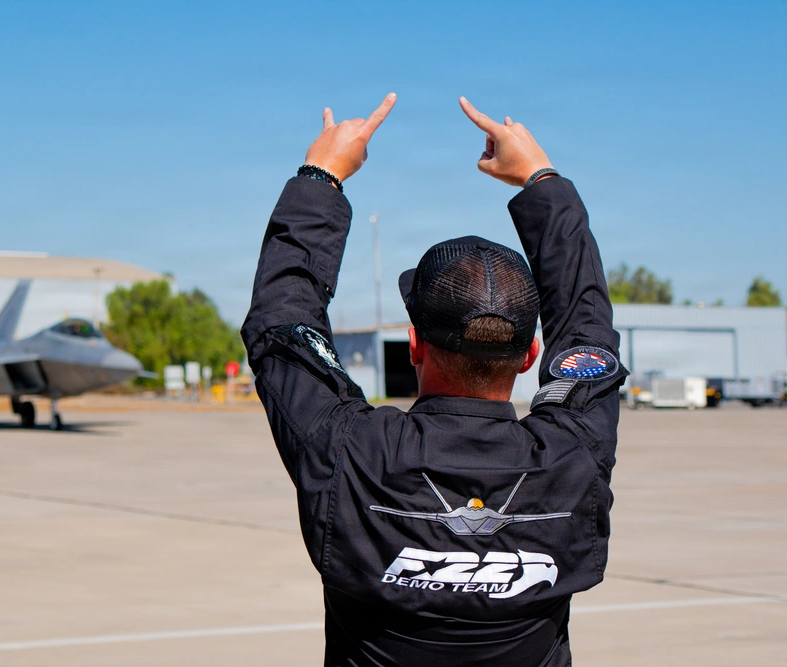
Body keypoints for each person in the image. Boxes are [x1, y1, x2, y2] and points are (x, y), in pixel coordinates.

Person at [241, 92, 627, 667]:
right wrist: (541, 181)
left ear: (415, 344)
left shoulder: (353, 452)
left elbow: (283, 327)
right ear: (530, 356)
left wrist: (320, 177)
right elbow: (586, 326)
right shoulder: (573, 453)